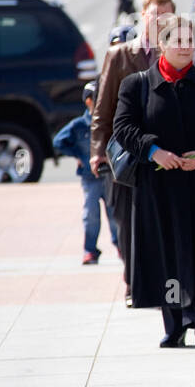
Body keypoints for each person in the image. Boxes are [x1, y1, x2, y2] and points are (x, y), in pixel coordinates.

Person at [113, 13, 195, 348]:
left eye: (190, 41)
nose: (185, 47)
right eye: (177, 41)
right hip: (158, 185)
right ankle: (175, 323)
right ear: (161, 44)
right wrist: (154, 151)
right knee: (166, 252)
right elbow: (123, 128)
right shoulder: (137, 84)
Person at [91, 0, 176, 292]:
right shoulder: (120, 54)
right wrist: (97, 151)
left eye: (167, 15)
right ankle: (132, 279)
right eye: (155, 14)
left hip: (162, 150)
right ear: (143, 16)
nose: (160, 20)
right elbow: (102, 108)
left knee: (157, 219)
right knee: (125, 218)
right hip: (125, 151)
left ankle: (159, 279)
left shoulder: (176, 53)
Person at [52, 81, 118, 265]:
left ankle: (121, 246)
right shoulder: (79, 125)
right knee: (90, 214)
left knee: (114, 215)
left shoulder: (110, 122)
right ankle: (90, 250)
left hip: (110, 177)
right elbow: (58, 142)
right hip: (90, 178)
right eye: (99, 99)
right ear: (88, 101)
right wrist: (77, 154)